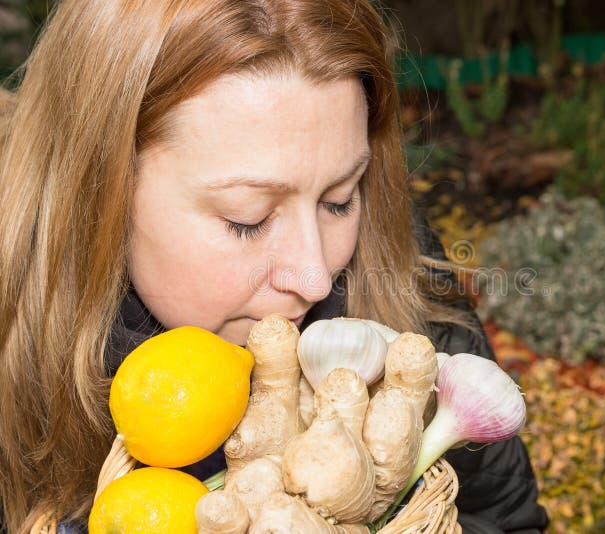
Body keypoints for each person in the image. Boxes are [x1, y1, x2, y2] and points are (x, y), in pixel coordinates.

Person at [0, 1, 549, 532]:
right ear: (95, 191)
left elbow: (504, 516)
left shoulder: (397, 271)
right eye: (248, 219)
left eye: (339, 199)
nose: (315, 276)